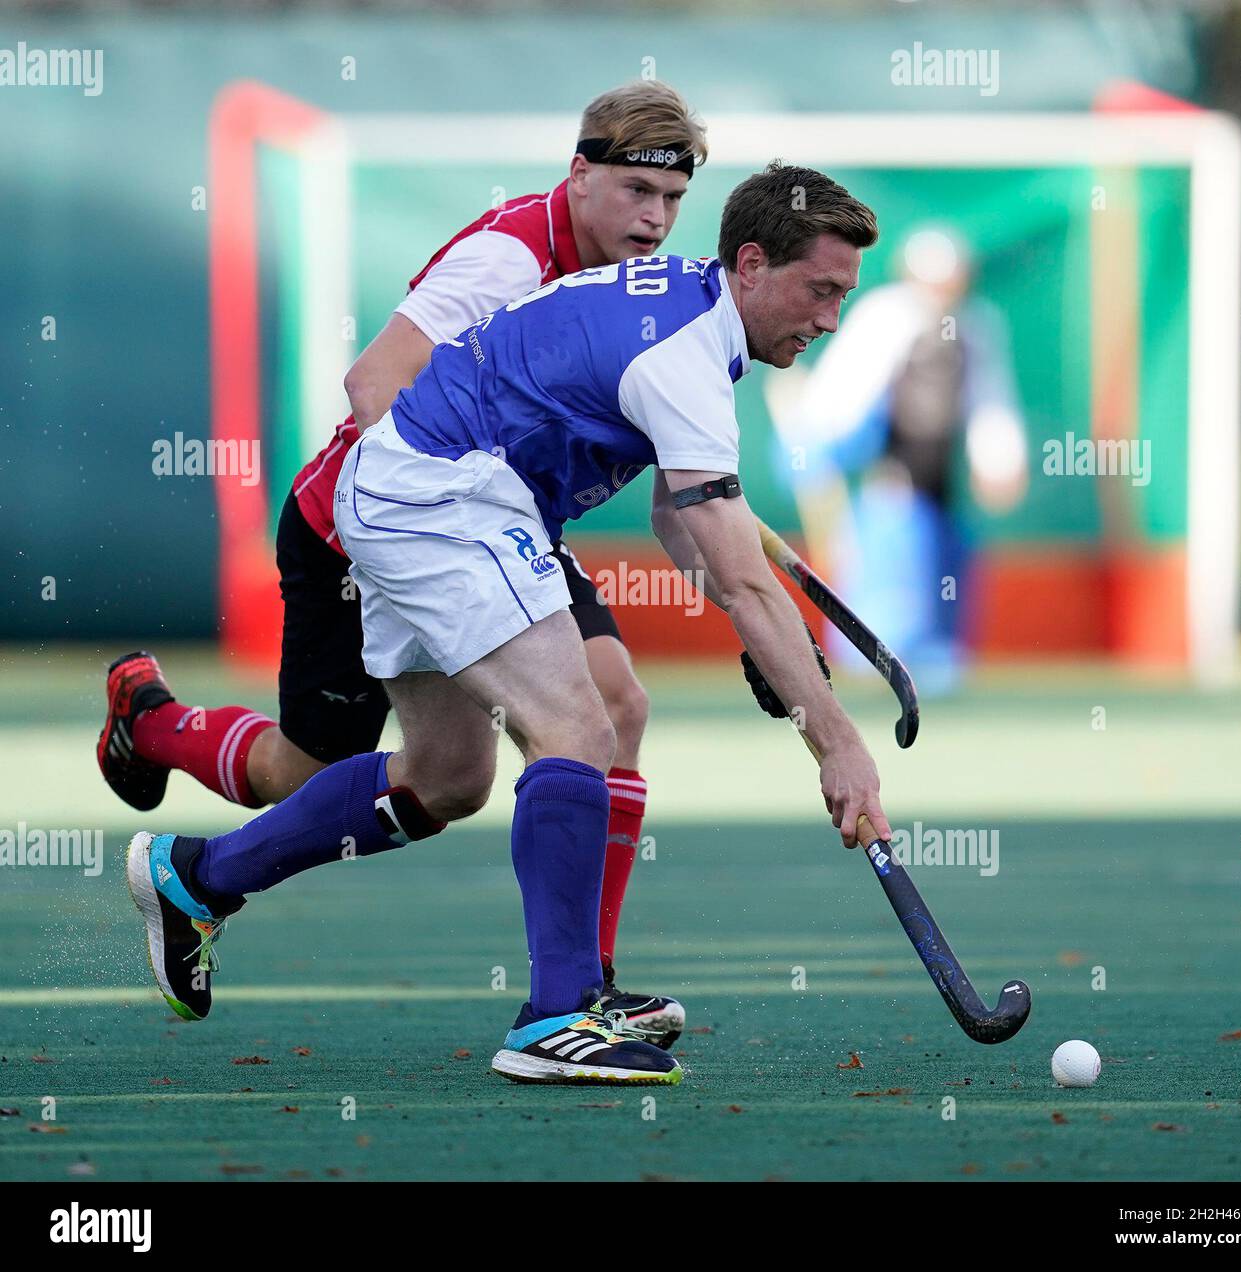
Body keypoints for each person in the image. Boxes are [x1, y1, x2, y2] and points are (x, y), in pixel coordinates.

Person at [125, 161, 891, 1087]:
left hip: (419, 494)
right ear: (753, 263)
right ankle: (558, 1013)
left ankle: (198, 877)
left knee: (448, 778)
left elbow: (678, 523)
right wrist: (837, 741)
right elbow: (740, 573)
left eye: (844, 298)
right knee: (579, 725)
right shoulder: (682, 350)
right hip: (444, 497)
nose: (828, 319)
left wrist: (763, 633)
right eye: (819, 291)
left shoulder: (693, 315)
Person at [99, 81, 708, 1044]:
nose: (655, 219)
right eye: (636, 190)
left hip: (494, 525)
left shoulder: (635, 286)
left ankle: (583, 988)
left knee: (520, 747)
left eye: (672, 201)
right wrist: (445, 524)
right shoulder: (509, 256)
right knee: (307, 770)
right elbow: (373, 380)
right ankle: (158, 734)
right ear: (579, 174)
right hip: (362, 527)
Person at [765, 225, 1028, 692]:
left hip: (945, 491)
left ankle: (937, 681)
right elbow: (843, 396)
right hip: (891, 491)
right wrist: (811, 448)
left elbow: (991, 403)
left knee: (943, 609)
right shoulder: (887, 319)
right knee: (892, 602)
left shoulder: (976, 327)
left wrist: (1002, 461)